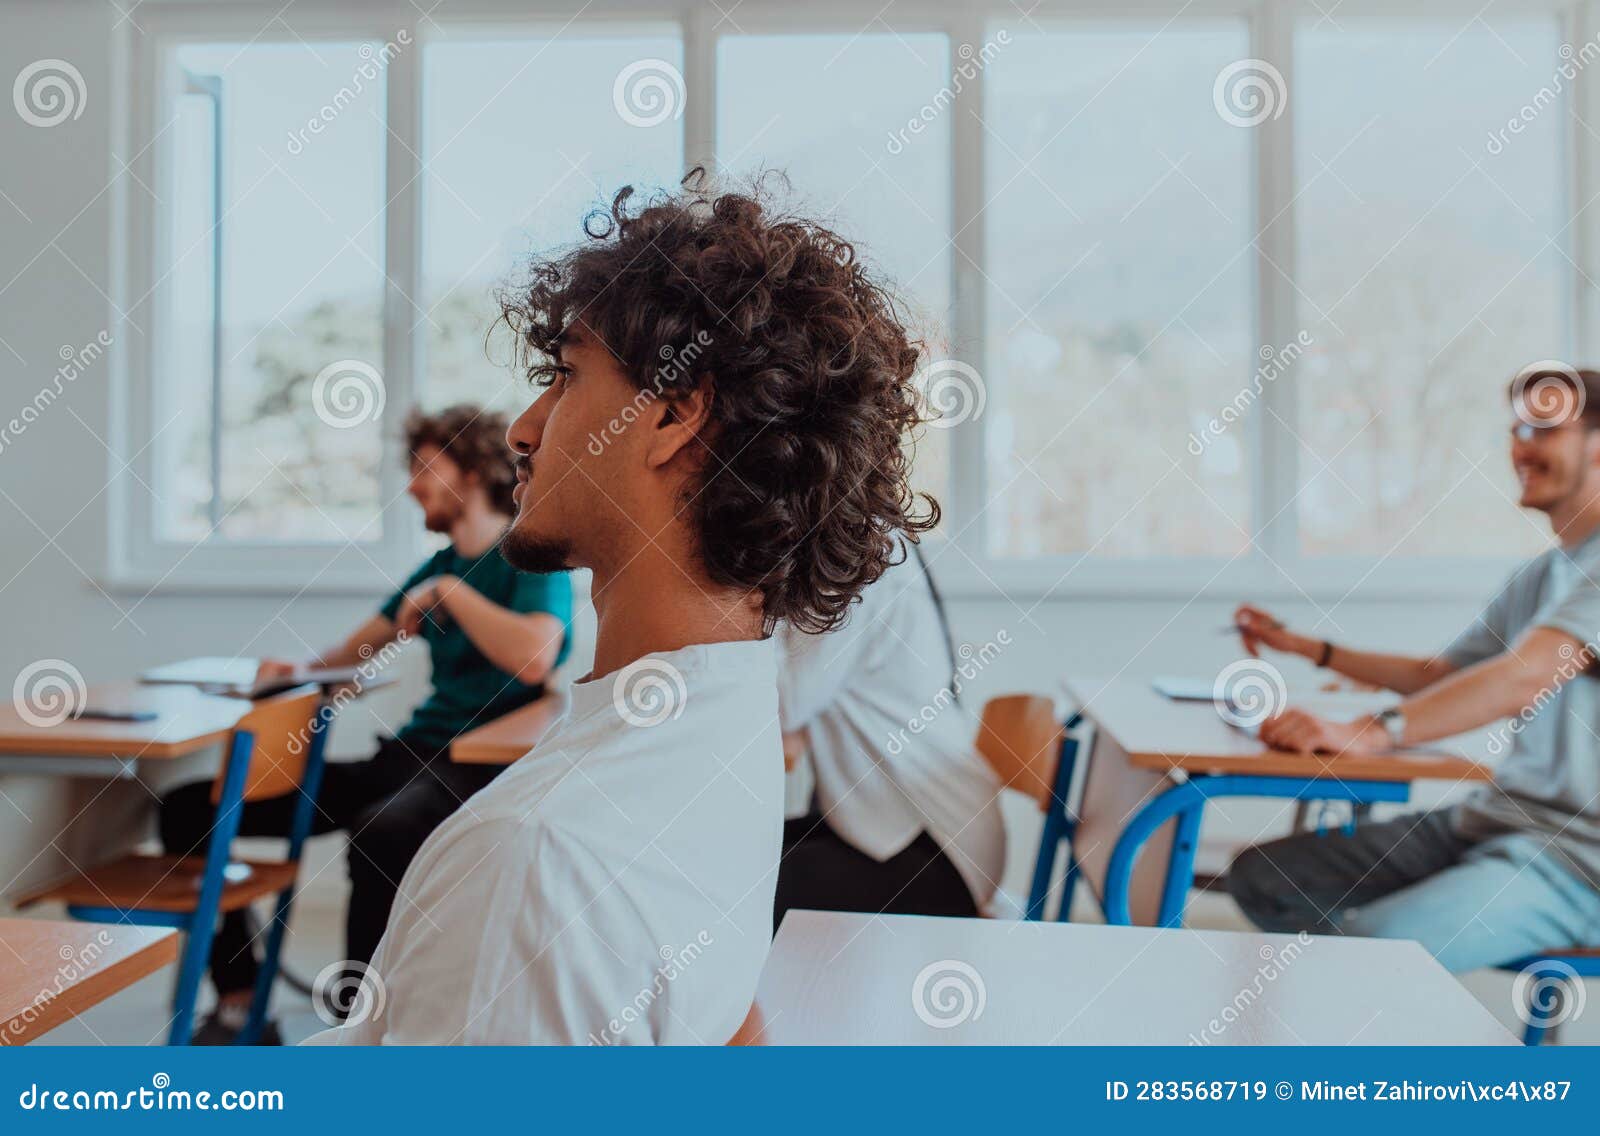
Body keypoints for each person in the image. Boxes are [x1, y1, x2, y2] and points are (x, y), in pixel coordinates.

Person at [309, 174, 938, 1045]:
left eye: (564, 377)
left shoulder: (534, 861)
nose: (523, 431)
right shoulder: (733, 716)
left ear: (673, 414)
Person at [160, 405, 573, 1043]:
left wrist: (450, 595)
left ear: (467, 469)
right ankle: (243, 999)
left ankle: (357, 1031)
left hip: (476, 764)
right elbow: (352, 654)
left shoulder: (525, 556)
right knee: (192, 810)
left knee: (381, 831)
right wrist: (293, 670)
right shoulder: (436, 565)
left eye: (422, 468)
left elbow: (537, 657)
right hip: (408, 754)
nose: (411, 486)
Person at [1225, 365, 1600, 972]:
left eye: (1543, 429)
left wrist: (1374, 732)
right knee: (1266, 879)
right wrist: (1307, 649)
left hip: (1578, 863)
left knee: (1371, 958)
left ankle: (1375, 1001)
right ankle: (1379, 1002)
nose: (1519, 447)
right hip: (1490, 821)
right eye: (1515, 430)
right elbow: (1440, 675)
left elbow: (1525, 674)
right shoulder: (1541, 575)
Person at [774, 544, 1006, 929]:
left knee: (727, 890)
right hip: (894, 831)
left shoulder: (857, 553)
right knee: (730, 861)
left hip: (934, 855)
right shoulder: (868, 540)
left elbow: (788, 700)